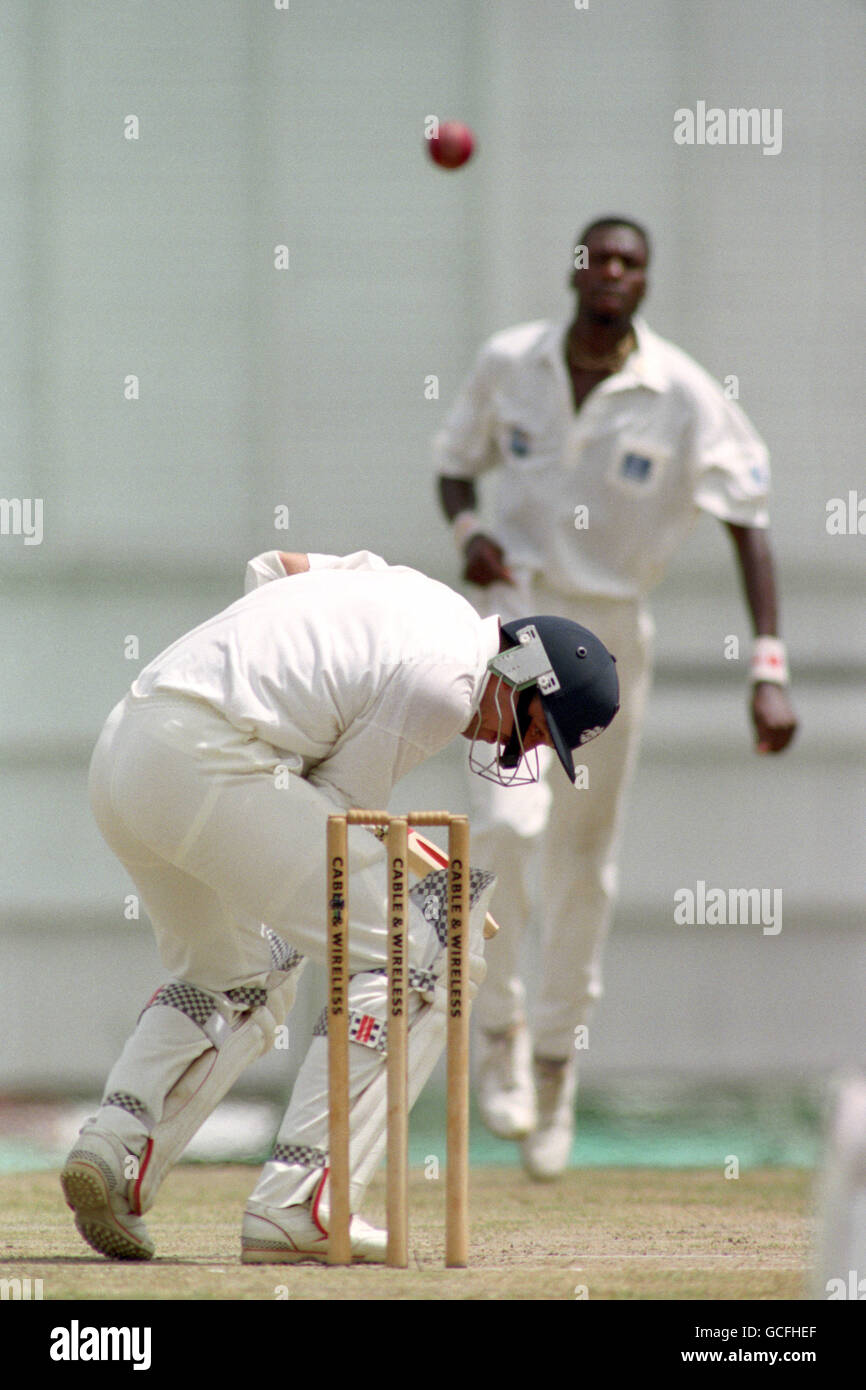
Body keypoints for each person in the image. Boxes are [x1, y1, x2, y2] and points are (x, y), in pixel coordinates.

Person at [60, 546, 619, 1263]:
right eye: (534, 729)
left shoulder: (410, 590)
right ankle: (303, 1201)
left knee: (236, 970)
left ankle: (118, 1143)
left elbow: (275, 568)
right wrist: (433, 885)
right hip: (209, 764)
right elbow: (340, 821)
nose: (511, 751)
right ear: (520, 673)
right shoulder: (447, 688)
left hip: (128, 749)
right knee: (429, 947)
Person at [434, 215, 798, 1180]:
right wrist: (469, 526)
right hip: (515, 622)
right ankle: (502, 1032)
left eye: (633, 262)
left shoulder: (680, 393)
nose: (614, 273)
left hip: (613, 633)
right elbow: (451, 461)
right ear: (576, 270)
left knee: (584, 862)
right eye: (599, 257)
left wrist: (767, 667)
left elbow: (747, 520)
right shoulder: (511, 361)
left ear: (646, 281)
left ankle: (557, 1063)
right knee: (507, 830)